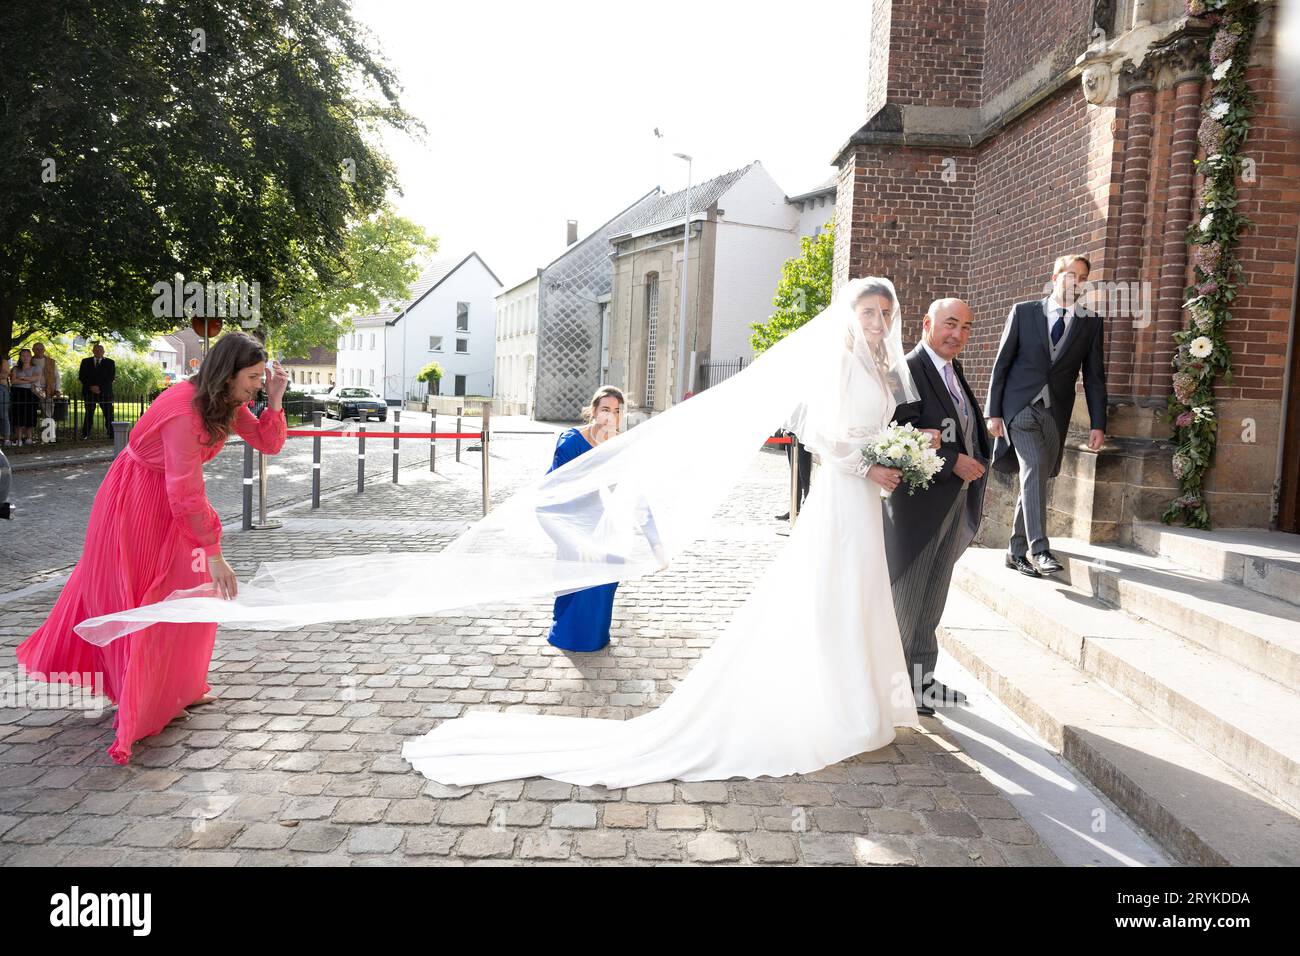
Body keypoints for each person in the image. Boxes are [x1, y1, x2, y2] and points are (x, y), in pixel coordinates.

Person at [398, 277, 923, 787]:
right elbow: (815, 433)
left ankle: (864, 698)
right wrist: (866, 466)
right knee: (831, 586)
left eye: (884, 313)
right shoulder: (834, 363)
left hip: (865, 494)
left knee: (862, 587)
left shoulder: (884, 369)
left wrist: (900, 450)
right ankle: (832, 701)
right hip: (843, 490)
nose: (878, 322)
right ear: (852, 317)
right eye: (869, 312)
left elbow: (878, 428)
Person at [16, 332, 288, 765]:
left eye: (260, 377)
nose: (257, 384)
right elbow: (185, 491)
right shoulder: (184, 410)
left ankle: (178, 688)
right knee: (149, 596)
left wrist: (273, 400)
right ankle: (144, 698)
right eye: (253, 377)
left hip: (172, 503)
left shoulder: (224, 401)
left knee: (188, 592)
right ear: (227, 373)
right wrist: (215, 554)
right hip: (137, 503)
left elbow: (268, 443)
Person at [882, 298, 990, 715]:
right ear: (927, 323)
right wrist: (950, 461)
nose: (958, 335)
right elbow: (893, 435)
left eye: (966, 327)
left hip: (955, 501)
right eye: (950, 324)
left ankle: (921, 681)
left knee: (933, 598)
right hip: (917, 507)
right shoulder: (905, 371)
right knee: (907, 599)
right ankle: (894, 689)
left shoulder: (953, 370)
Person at [985, 254, 1107, 577]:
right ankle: (1039, 549)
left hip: (1056, 412)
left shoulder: (1090, 323)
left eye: (1081, 277)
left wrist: (1098, 423)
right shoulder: (1024, 313)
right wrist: (993, 412)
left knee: (1037, 474)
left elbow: (1094, 377)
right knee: (1035, 465)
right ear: (1054, 278)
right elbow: (1002, 364)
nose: (1075, 282)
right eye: (1069, 274)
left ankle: (1015, 550)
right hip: (1019, 408)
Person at [540, 385, 664, 652]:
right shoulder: (571, 442)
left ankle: (596, 637)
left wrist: (657, 544)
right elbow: (553, 495)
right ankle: (568, 636)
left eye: (617, 412)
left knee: (607, 574)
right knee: (577, 584)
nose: (611, 417)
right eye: (605, 410)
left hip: (604, 525)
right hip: (571, 525)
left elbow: (636, 496)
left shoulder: (619, 448)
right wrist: (573, 541)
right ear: (593, 411)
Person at [78, 342, 116, 440]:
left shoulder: (110, 362)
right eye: (96, 350)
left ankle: (111, 434)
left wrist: (99, 388)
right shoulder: (85, 361)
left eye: (100, 350)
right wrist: (91, 387)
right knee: (89, 414)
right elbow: (82, 376)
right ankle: (85, 434)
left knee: (108, 414)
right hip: (89, 392)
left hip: (105, 393)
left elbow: (110, 378)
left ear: (103, 352)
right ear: (93, 351)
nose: (98, 352)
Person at [10, 348, 40, 445]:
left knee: (30, 415)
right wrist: (29, 380)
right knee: (18, 415)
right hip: (17, 393)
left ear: (30, 357)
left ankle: (29, 438)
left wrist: (22, 378)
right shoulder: (15, 368)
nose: (25, 357)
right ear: (20, 357)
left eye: (27, 355)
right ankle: (18, 439)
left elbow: (36, 378)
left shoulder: (36, 367)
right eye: (23, 355)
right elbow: (13, 381)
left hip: (31, 393)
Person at [0, 357, 12, 445]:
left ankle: (6, 439)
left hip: (1, 388)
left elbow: (5, 374)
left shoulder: (3, 361)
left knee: (3, 414)